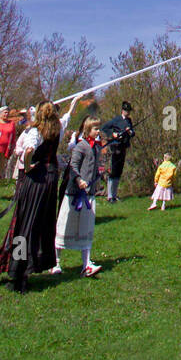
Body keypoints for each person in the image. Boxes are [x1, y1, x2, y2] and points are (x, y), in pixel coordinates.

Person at [0, 99, 77, 292]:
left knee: (23, 226)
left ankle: (17, 272)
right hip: (50, 180)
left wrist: (27, 166)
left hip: (35, 181)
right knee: (38, 226)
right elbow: (66, 118)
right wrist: (74, 104)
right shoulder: (57, 130)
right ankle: (25, 270)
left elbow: (29, 150)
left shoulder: (35, 132)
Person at [52, 117, 103, 276]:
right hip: (74, 195)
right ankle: (55, 263)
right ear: (87, 130)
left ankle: (86, 264)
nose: (98, 131)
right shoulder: (80, 146)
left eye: (98, 128)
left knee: (87, 228)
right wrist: (79, 179)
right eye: (95, 128)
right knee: (64, 226)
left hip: (89, 194)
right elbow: (73, 166)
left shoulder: (96, 148)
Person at [102, 101, 135, 202]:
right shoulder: (116, 120)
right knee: (114, 170)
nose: (128, 113)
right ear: (123, 110)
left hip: (124, 147)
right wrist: (113, 134)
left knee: (119, 171)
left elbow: (132, 133)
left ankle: (114, 195)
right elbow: (105, 127)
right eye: (126, 111)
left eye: (129, 111)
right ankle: (110, 195)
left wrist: (130, 132)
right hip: (116, 147)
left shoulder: (129, 121)